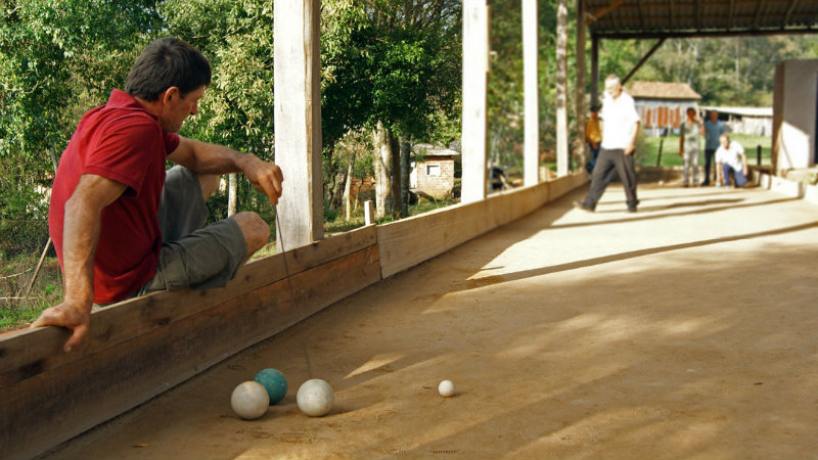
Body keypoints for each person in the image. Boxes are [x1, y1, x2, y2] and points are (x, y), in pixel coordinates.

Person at [31, 38, 284, 352]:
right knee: (255, 228)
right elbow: (82, 203)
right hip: (126, 283)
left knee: (207, 173)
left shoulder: (113, 115)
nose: (194, 111)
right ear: (171, 96)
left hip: (126, 250)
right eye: (194, 100)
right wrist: (76, 301)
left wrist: (246, 161)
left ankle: (181, 260)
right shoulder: (137, 131)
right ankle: (181, 298)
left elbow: (192, 154)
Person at [578, 75, 641, 213]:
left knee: (628, 177)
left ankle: (632, 204)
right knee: (597, 175)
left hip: (623, 145)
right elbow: (604, 120)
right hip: (607, 145)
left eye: (612, 87)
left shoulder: (627, 101)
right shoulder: (606, 98)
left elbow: (637, 123)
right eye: (607, 87)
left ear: (619, 87)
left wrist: (631, 143)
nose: (609, 90)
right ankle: (590, 203)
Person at [679, 107, 703, 187]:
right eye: (689, 113)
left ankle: (696, 181)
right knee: (686, 164)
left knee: (695, 163)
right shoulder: (683, 124)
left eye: (693, 113)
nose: (691, 115)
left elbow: (703, 133)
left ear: (695, 114)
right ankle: (685, 181)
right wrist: (680, 148)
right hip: (687, 146)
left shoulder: (698, 123)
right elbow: (681, 137)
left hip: (696, 146)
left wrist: (701, 123)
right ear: (687, 114)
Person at [702, 110, 725, 186]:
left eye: (715, 115)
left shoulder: (721, 124)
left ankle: (716, 179)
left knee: (717, 164)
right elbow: (703, 133)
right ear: (710, 115)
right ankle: (706, 179)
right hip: (708, 146)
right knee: (707, 164)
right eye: (712, 114)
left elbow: (723, 135)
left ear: (717, 115)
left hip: (718, 147)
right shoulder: (707, 124)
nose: (713, 116)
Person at [585, 104, 602, 174]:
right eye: (595, 112)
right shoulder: (590, 122)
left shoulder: (597, 120)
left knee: (598, 157)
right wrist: (593, 143)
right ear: (592, 113)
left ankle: (593, 170)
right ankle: (589, 167)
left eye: (597, 112)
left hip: (599, 142)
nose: (597, 113)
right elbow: (587, 135)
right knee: (596, 158)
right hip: (594, 142)